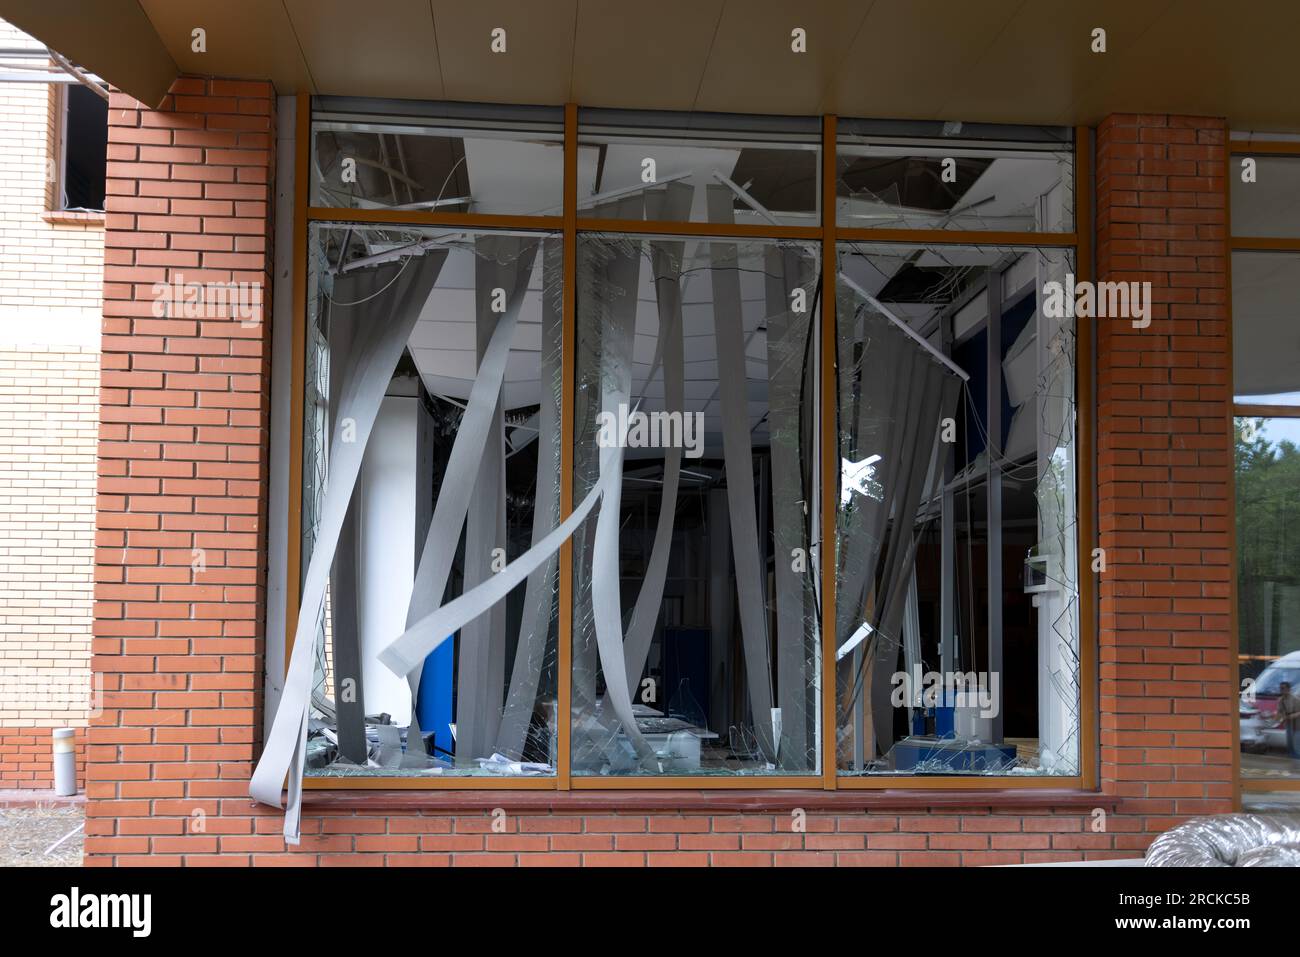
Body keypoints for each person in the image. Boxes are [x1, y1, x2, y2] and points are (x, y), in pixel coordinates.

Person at [1275, 681, 1300, 760]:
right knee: (1290, 745)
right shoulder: (1281, 700)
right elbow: (1279, 713)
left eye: (1283, 688)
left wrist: (1290, 716)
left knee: (1296, 746)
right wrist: (1272, 717)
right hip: (1289, 725)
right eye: (1280, 688)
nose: (1281, 690)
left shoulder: (1295, 699)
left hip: (1297, 725)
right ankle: (1293, 765)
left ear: (1288, 689)